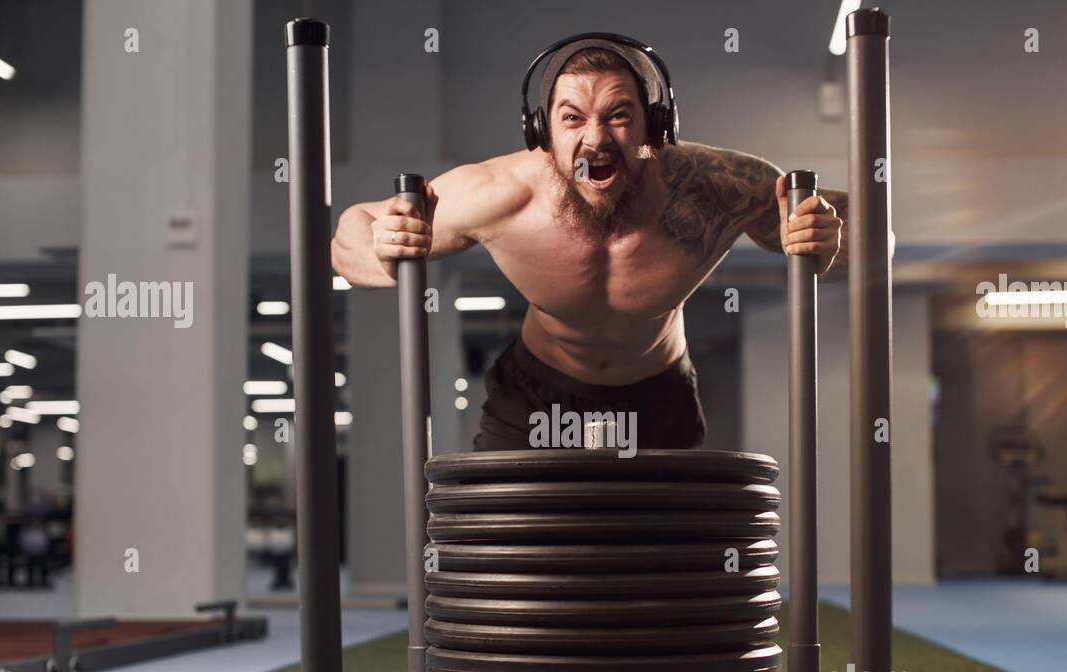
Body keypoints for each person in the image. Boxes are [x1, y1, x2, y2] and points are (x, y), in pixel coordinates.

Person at [332, 34, 846, 450]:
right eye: (572, 118)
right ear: (543, 131)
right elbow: (349, 234)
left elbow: (872, 233)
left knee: (665, 569)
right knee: (507, 564)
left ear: (655, 126)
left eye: (619, 116)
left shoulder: (714, 188)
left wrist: (828, 240)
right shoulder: (499, 195)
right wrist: (385, 246)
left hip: (658, 395)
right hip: (536, 397)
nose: (595, 139)